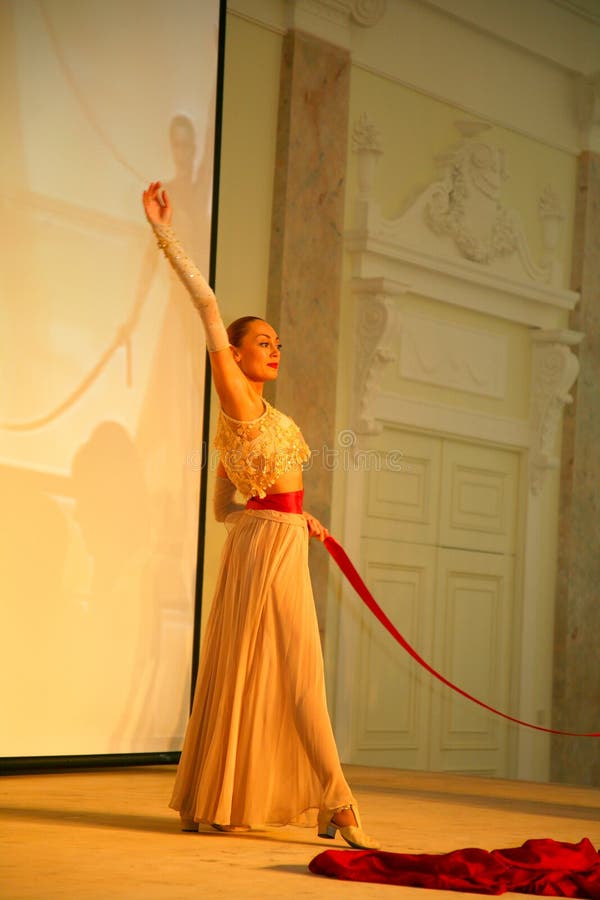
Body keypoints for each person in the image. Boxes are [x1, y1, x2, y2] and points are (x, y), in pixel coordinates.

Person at [142, 181, 379, 850]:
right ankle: (340, 804)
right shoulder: (240, 403)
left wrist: (286, 516)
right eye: (262, 342)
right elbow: (210, 307)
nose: (275, 349)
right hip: (268, 546)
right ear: (237, 357)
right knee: (302, 674)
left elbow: (223, 507)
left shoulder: (256, 423)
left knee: (288, 672)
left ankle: (246, 799)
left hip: (273, 540)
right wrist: (165, 234)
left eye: (278, 342)